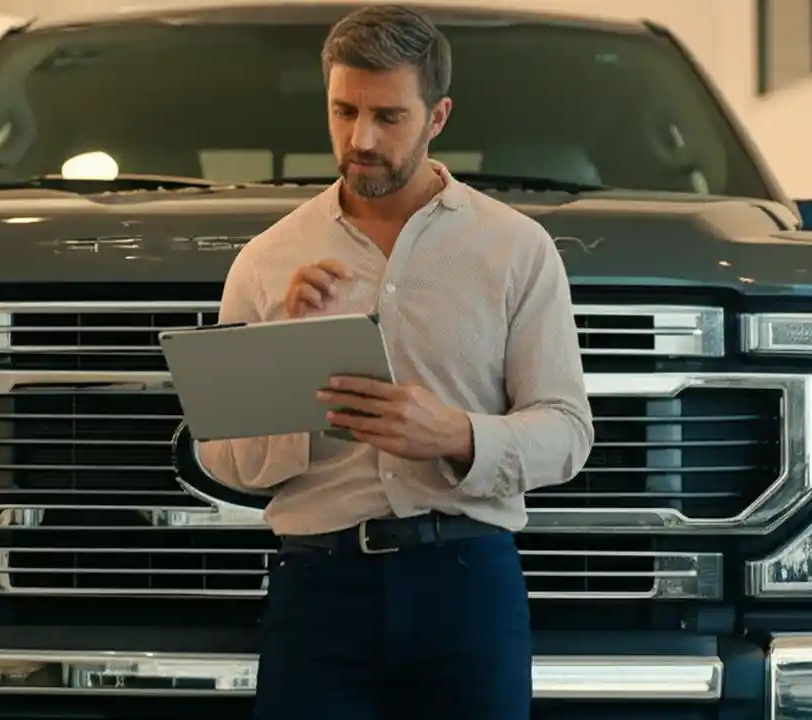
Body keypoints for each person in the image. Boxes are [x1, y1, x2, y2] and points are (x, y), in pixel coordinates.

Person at [197, 5, 593, 719]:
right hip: (315, 591)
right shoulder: (264, 263)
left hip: (467, 583)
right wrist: (286, 359)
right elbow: (223, 459)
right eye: (344, 112)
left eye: (389, 117)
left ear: (438, 116)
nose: (360, 139)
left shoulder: (517, 249)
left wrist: (458, 436)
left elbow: (568, 432)